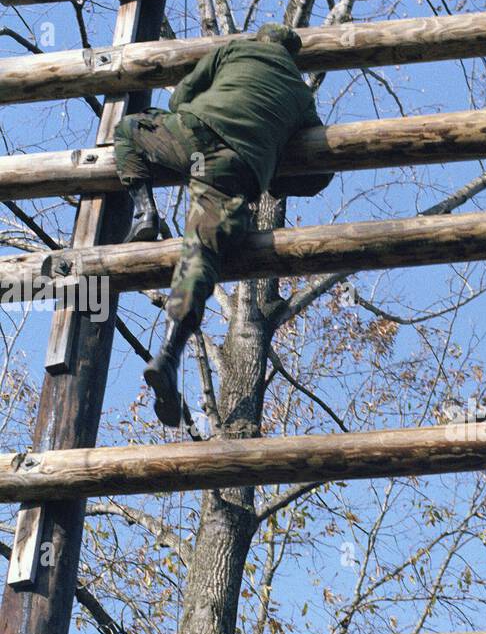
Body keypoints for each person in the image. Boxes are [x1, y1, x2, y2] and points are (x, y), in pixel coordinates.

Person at [113, 23, 334, 427]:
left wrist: (186, 124)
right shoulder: (302, 97)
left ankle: (145, 210)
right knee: (199, 256)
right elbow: (319, 176)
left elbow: (183, 94)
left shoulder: (234, 50)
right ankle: (169, 352)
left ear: (261, 40)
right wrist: (273, 177)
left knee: (128, 130)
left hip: (194, 137)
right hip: (235, 168)